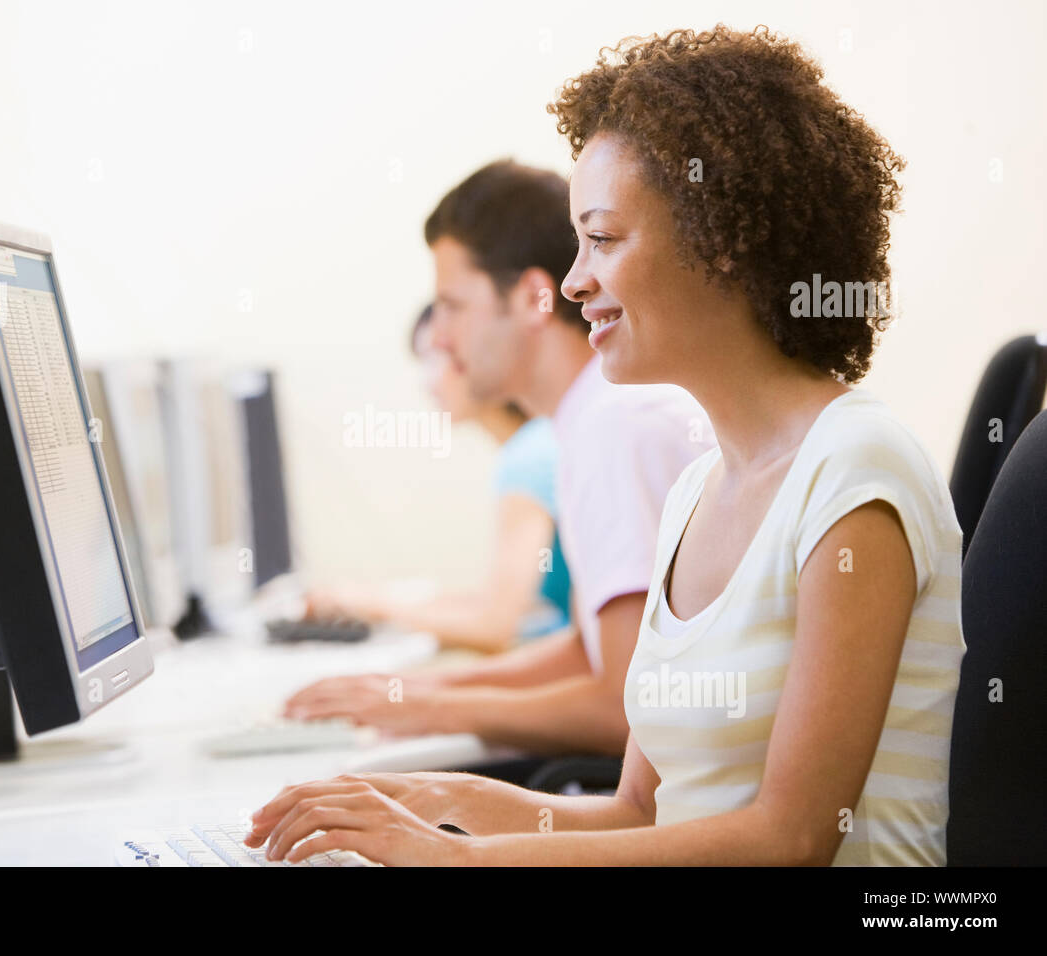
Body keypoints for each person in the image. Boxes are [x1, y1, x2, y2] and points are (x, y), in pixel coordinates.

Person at [252, 25, 964, 866]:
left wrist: (459, 859)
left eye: (604, 239)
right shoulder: (698, 493)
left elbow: (793, 839)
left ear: (719, 238)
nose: (573, 279)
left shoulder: (855, 469)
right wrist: (440, 800)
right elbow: (638, 814)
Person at [284, 159, 713, 755]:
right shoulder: (591, 417)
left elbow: (626, 708)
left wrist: (433, 707)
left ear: (535, 298)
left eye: (452, 306)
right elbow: (591, 647)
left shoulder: (614, 423)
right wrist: (412, 690)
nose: (436, 338)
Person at [306, 303, 573, 652]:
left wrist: (376, 607)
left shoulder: (529, 456)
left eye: (437, 357)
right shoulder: (540, 441)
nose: (427, 382)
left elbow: (494, 626)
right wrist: (375, 600)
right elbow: (510, 602)